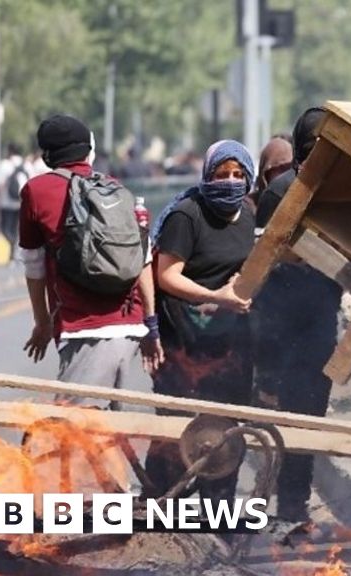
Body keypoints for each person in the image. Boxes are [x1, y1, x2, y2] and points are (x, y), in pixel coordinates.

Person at [18, 114, 162, 402]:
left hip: (83, 328)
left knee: (73, 430)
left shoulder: (37, 191)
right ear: (88, 150)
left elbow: (34, 265)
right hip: (130, 326)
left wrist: (42, 321)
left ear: (47, 154)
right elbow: (142, 260)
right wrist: (150, 324)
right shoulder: (115, 188)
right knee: (107, 432)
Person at [143, 140, 255, 504]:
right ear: (207, 176)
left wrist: (238, 287)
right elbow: (166, 276)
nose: (231, 182)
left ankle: (216, 513)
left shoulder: (248, 213)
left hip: (229, 342)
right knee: (174, 431)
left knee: (225, 430)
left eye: (239, 174)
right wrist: (214, 296)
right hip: (183, 340)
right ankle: (164, 510)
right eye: (222, 175)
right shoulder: (187, 216)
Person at [254, 108, 342, 522]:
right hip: (312, 327)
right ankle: (292, 505)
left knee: (285, 421)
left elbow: (259, 264)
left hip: (283, 327)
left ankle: (283, 503)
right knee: (305, 421)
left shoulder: (282, 189)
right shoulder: (344, 190)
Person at [0, 144, 29, 261]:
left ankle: (12, 246)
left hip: (7, 202)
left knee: (5, 228)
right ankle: (15, 252)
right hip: (21, 201)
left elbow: (0, 183)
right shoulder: (26, 164)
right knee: (18, 228)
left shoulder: (5, 164)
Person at [251, 135, 293, 209]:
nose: (287, 176)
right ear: (266, 173)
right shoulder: (249, 208)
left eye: (290, 169)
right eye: (281, 169)